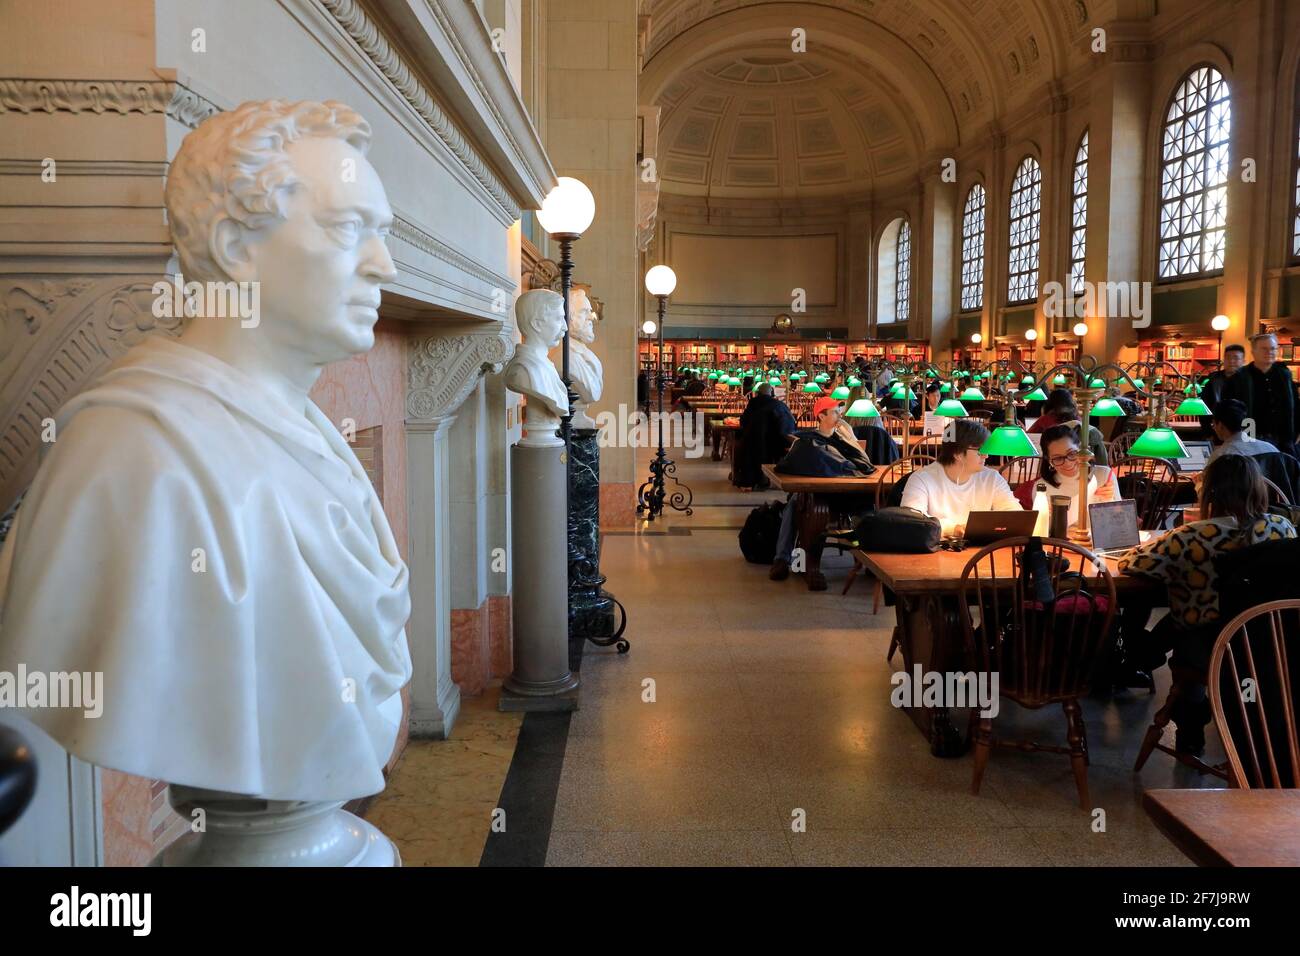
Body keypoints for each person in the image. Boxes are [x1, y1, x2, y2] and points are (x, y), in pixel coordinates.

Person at [1119, 455, 1296, 753]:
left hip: (1213, 644)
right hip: (1273, 642)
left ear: (1210, 491)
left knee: (1182, 630)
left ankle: (1190, 730)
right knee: (1180, 629)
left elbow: (1130, 563)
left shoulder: (1190, 537)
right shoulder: (1282, 528)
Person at [770, 397, 874, 584]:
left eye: (839, 411)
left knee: (868, 509)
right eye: (834, 411)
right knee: (794, 505)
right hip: (814, 493)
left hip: (844, 494)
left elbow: (866, 465)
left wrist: (850, 436)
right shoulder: (806, 440)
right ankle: (782, 559)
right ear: (821, 415)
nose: (839, 414)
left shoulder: (843, 438)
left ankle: (870, 558)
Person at [899, 419, 1022, 537]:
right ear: (958, 454)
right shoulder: (921, 479)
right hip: (935, 554)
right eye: (980, 450)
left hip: (981, 553)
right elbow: (912, 523)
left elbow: (1015, 514)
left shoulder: (992, 478)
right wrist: (953, 529)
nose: (986, 455)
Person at [1013, 424, 1119, 534]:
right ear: (1049, 460)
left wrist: (1112, 501)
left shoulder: (1103, 476)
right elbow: (1043, 533)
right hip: (1065, 547)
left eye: (1072, 453)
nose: (1068, 463)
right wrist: (1048, 519)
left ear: (1080, 449)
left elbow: (1120, 523)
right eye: (1058, 458)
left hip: (1100, 544)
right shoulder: (1042, 488)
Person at [1223, 333, 1297, 457]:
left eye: (1273, 348)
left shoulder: (1284, 375)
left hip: (1283, 438)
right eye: (1264, 349)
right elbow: (1230, 410)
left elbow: (1295, 403)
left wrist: (1295, 433)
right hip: (1250, 436)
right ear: (1253, 351)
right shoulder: (1239, 377)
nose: (1270, 352)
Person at [733, 383, 798, 490]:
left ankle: (750, 480)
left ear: (758, 393)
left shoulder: (752, 404)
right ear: (772, 393)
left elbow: (743, 422)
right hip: (776, 444)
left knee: (741, 443)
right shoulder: (779, 405)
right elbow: (788, 428)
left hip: (752, 444)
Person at [1026, 388, 1109, 464]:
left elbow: (1028, 437)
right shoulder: (1077, 419)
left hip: (1051, 462)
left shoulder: (1046, 419)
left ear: (1050, 402)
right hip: (1078, 462)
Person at [1205, 398, 1277, 465]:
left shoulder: (1220, 456)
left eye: (1213, 424)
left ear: (1220, 425)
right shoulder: (1270, 448)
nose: (1213, 428)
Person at [1202, 343, 1246, 411]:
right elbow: (1205, 403)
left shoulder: (1249, 380)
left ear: (1243, 361)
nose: (1231, 361)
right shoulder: (1213, 379)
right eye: (1228, 357)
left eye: (1236, 358)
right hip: (1217, 420)